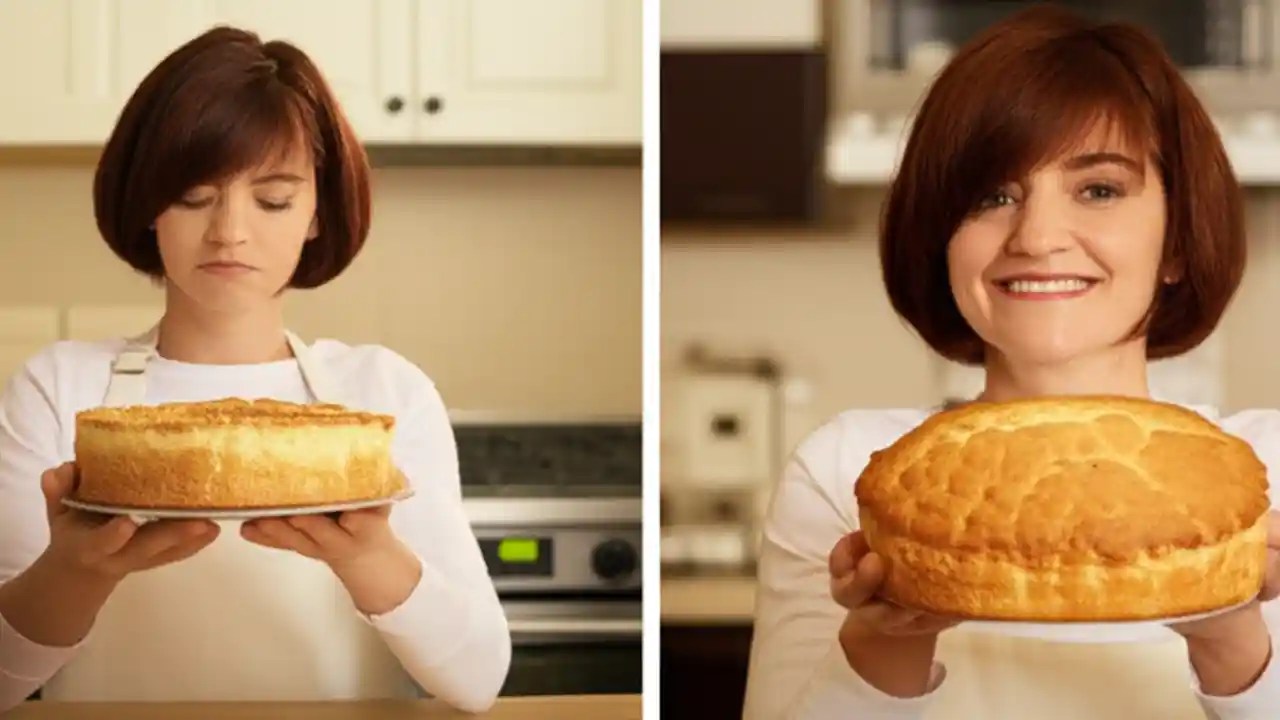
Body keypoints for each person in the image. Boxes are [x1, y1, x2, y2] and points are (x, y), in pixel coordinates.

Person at [742, 7, 1280, 720]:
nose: (1037, 236)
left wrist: (1231, 636)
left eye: (1098, 190)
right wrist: (884, 643)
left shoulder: (1261, 487)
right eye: (992, 196)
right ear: (941, 239)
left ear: (1177, 240)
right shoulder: (847, 478)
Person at [0, 26, 510, 712]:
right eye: (193, 196)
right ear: (148, 207)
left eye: (272, 200)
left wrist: (367, 556)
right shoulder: (59, 388)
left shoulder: (382, 396)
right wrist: (73, 572)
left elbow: (478, 681)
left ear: (317, 214)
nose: (230, 232)